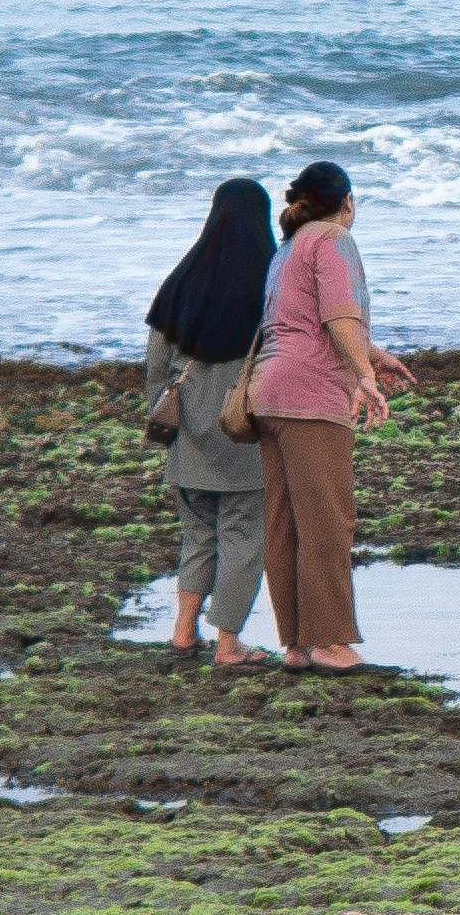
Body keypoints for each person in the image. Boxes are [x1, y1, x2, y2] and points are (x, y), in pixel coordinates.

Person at [243, 160, 412, 674]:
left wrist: (371, 355)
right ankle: (330, 641)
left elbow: (298, 320)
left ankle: (296, 641)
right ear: (348, 203)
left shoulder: (288, 248)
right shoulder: (334, 240)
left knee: (284, 521)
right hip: (312, 395)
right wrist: (363, 376)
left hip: (268, 393)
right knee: (327, 520)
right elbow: (339, 315)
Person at [138, 177, 275, 666]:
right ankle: (229, 644)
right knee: (242, 537)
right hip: (245, 431)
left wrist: (168, 410)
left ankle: (182, 630)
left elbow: (156, 370)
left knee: (198, 534)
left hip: (189, 434)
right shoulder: (269, 284)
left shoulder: (181, 281)